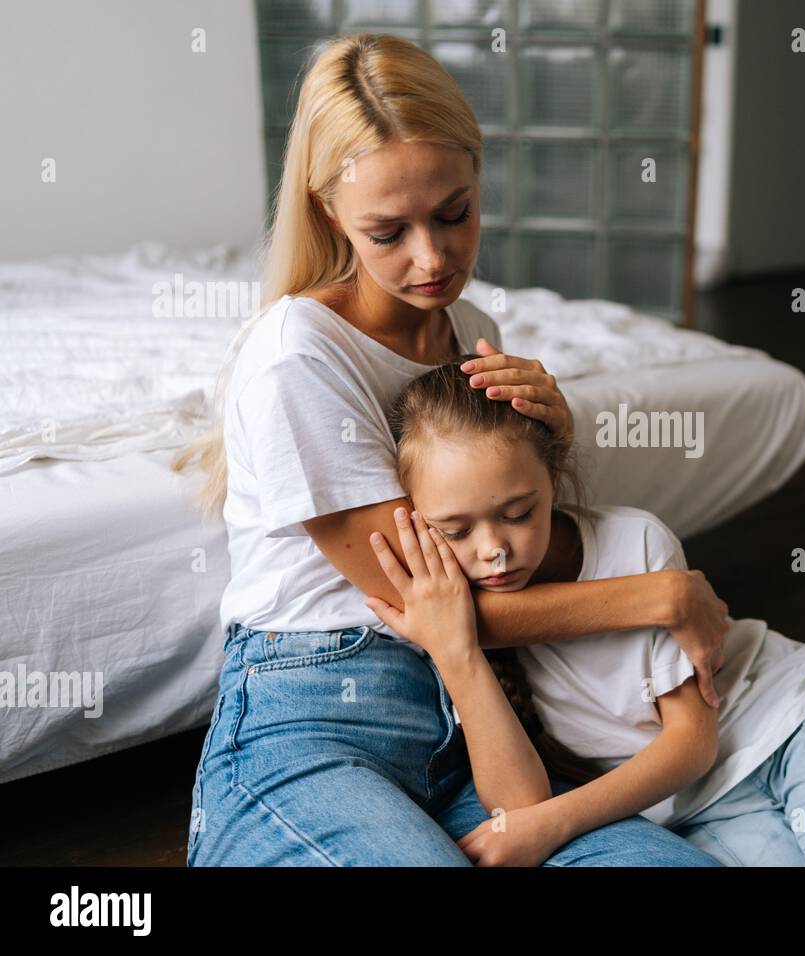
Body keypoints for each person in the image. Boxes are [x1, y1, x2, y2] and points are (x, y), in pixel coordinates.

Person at [173, 33, 728, 866]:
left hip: (482, 718)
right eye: (387, 230)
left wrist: (556, 437)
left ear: (477, 177)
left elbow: (499, 550)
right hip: (317, 716)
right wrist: (663, 595)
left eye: (454, 213)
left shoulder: (475, 335)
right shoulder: (299, 355)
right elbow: (436, 607)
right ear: (330, 212)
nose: (431, 258)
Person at [361, 359, 805, 866]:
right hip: (692, 807)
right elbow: (515, 799)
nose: (493, 551)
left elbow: (692, 745)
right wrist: (456, 652)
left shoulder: (635, 542)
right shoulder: (455, 610)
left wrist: (551, 824)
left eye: (518, 513)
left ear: (553, 479)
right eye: (456, 532)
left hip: (778, 729)